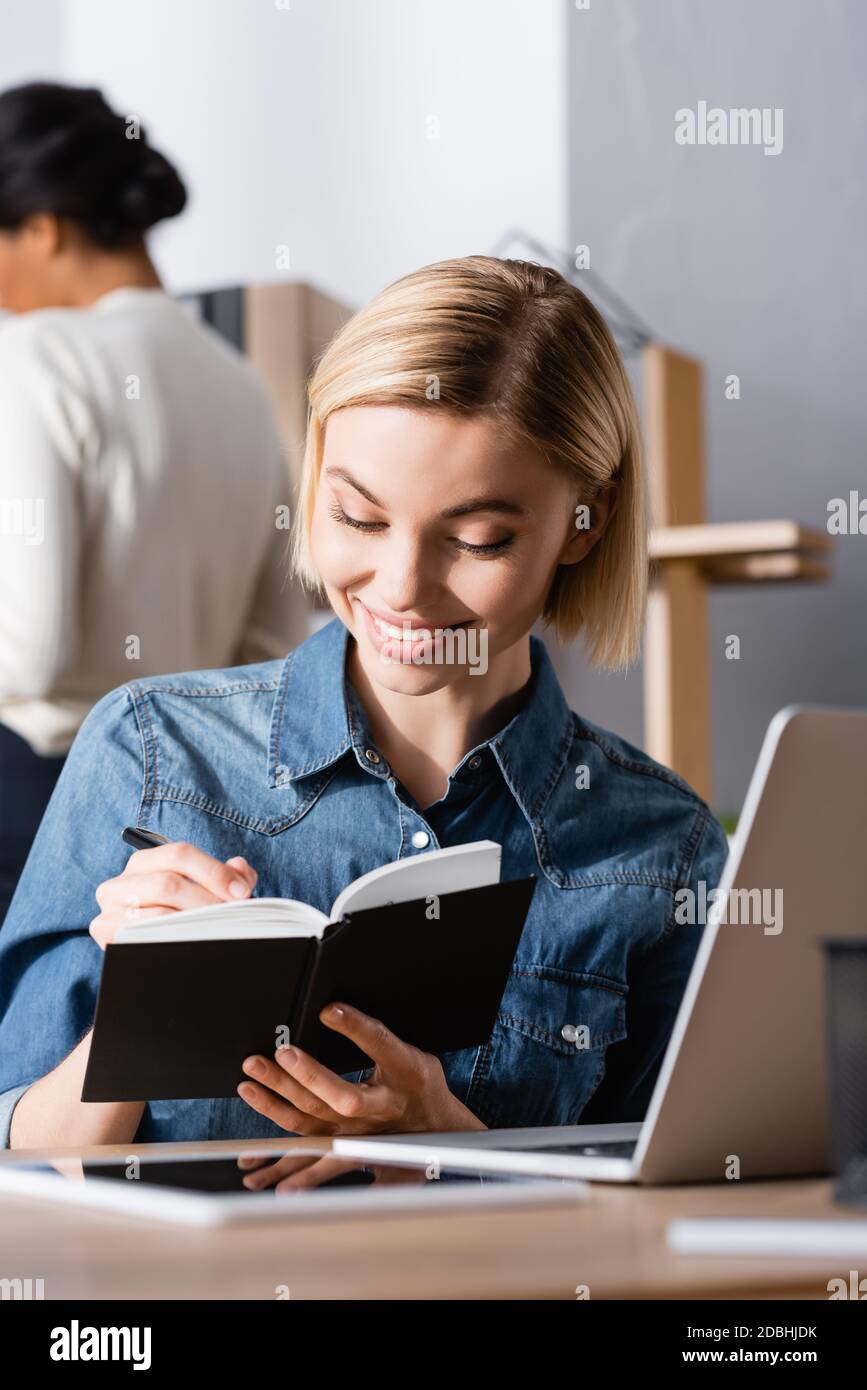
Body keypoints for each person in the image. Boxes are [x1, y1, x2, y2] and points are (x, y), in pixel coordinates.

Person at [0, 255, 728, 1181]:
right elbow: (13, 1169)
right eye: (358, 517)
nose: (400, 590)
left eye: (477, 540)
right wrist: (137, 1023)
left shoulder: (658, 842)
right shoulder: (152, 750)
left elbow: (677, 1212)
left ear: (585, 521)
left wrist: (449, 1152)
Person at [0, 82, 301, 920]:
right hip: (182, 836)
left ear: (41, 226)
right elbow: (271, 646)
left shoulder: (32, 358)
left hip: (31, 806)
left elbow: (28, 652)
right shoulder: (240, 384)